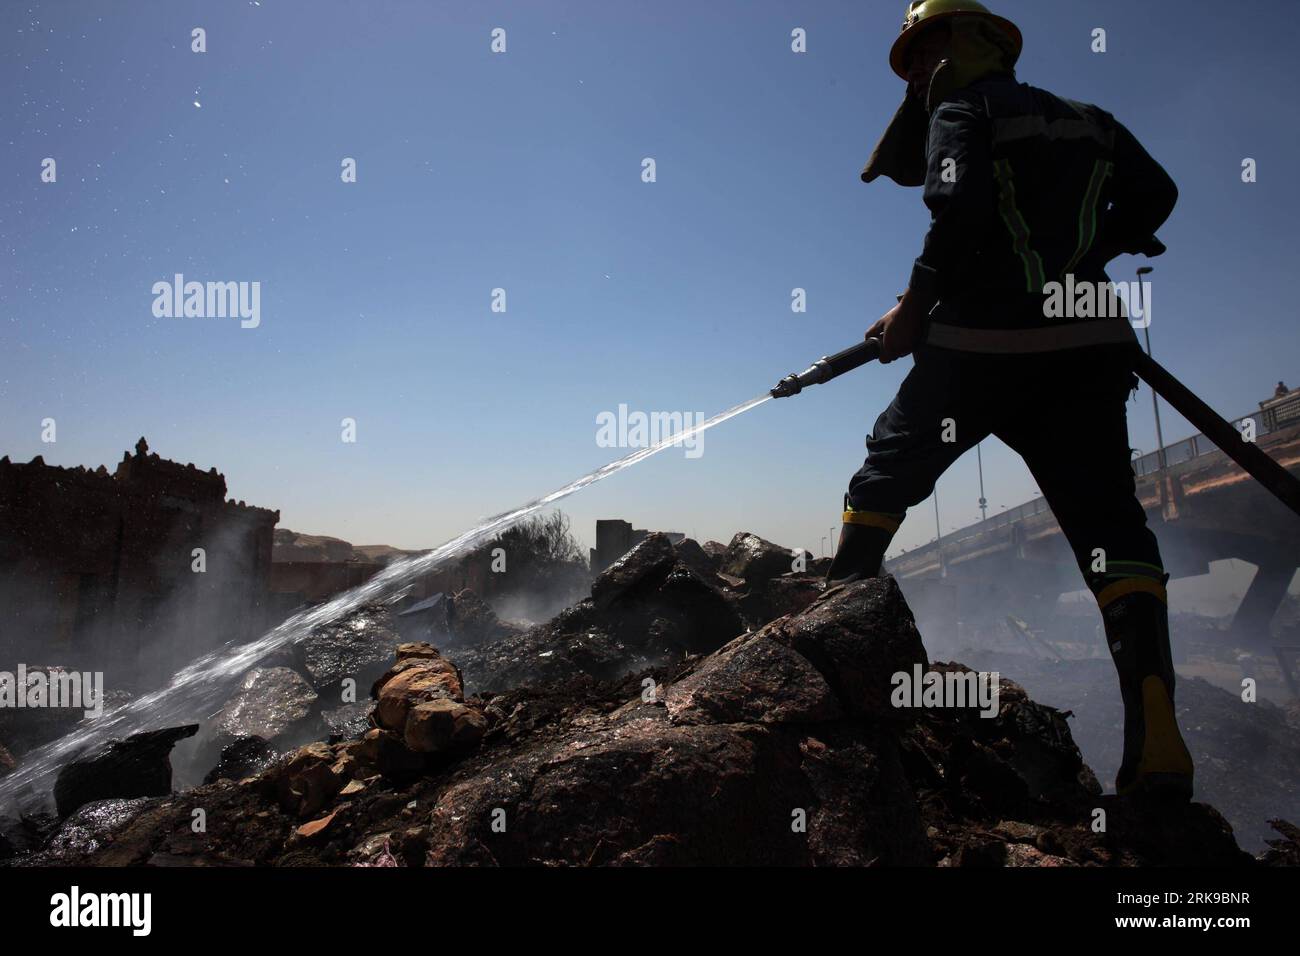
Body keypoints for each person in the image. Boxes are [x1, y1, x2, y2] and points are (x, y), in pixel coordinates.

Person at [828, 0, 1193, 800]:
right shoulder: (1090, 119)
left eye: (921, 55)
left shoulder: (963, 109)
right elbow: (1157, 194)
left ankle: (827, 643)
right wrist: (1094, 248)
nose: (916, 75)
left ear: (966, 46)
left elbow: (955, 211)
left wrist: (913, 307)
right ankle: (1158, 741)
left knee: (887, 472)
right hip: (1086, 353)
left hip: (977, 351)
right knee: (1111, 531)